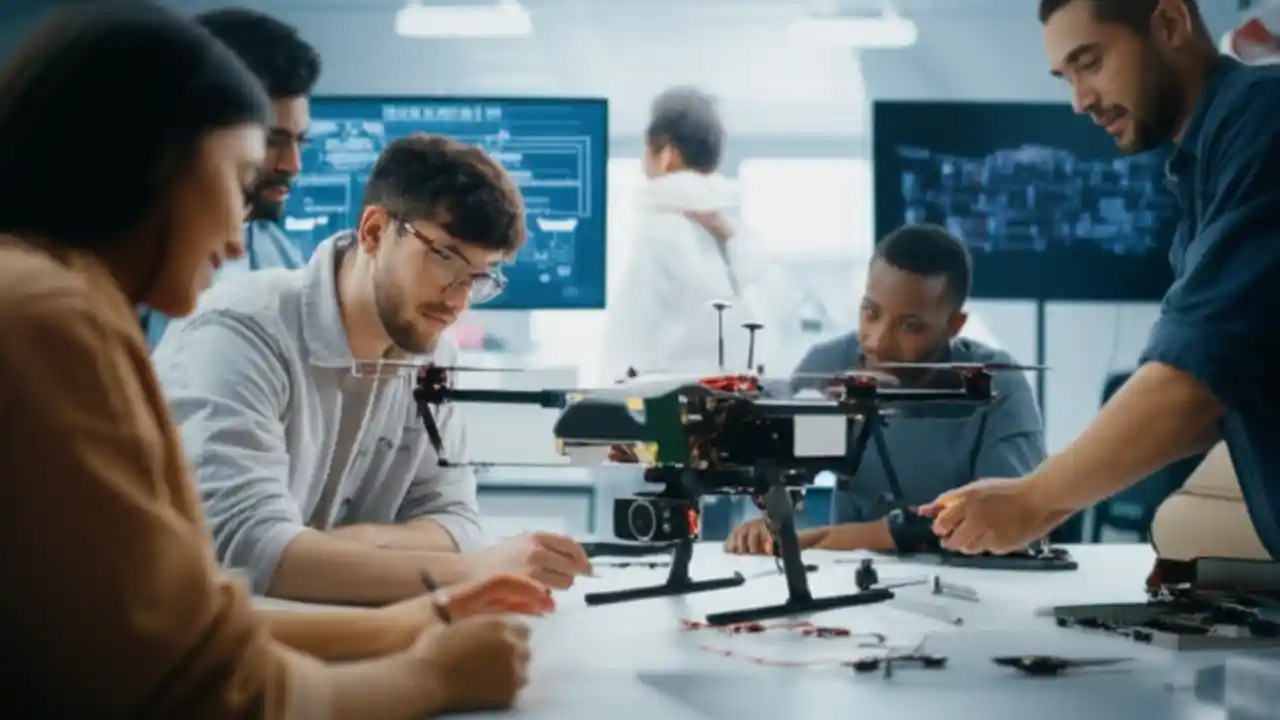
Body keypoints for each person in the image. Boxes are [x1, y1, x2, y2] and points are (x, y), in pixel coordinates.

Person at [0, 3, 544, 716]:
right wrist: (431, 677)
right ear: (145, 166)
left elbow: (178, 627)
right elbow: (202, 688)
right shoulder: (51, 319)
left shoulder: (47, 297)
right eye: (235, 179)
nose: (235, 236)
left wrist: (413, 621)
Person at [151, 132, 594, 606]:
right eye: (446, 258)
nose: (459, 299)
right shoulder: (242, 331)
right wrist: (475, 571)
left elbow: (457, 521)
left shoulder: (433, 357)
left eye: (480, 278)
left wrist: (357, 544)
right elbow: (247, 550)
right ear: (375, 232)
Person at [925, 0, 1280, 562]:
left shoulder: (1266, 121)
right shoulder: (1199, 175)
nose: (1080, 101)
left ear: (1169, 23)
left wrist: (1035, 498)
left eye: (1089, 62)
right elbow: (1217, 398)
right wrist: (1045, 503)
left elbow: (1195, 379)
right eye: (1067, 77)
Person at [725, 224, 1045, 555]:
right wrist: (771, 520)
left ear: (954, 326)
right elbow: (788, 471)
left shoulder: (997, 386)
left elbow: (1010, 522)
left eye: (910, 327)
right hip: (848, 579)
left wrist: (826, 539)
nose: (879, 342)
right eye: (871, 313)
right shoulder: (828, 368)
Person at [140, 7, 319, 349]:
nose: (292, 165)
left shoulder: (279, 258)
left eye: (300, 141)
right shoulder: (103, 278)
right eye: (271, 141)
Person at [597, 86, 776, 384]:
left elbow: (629, 350)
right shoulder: (736, 232)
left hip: (669, 411)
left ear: (667, 154)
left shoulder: (661, 231)